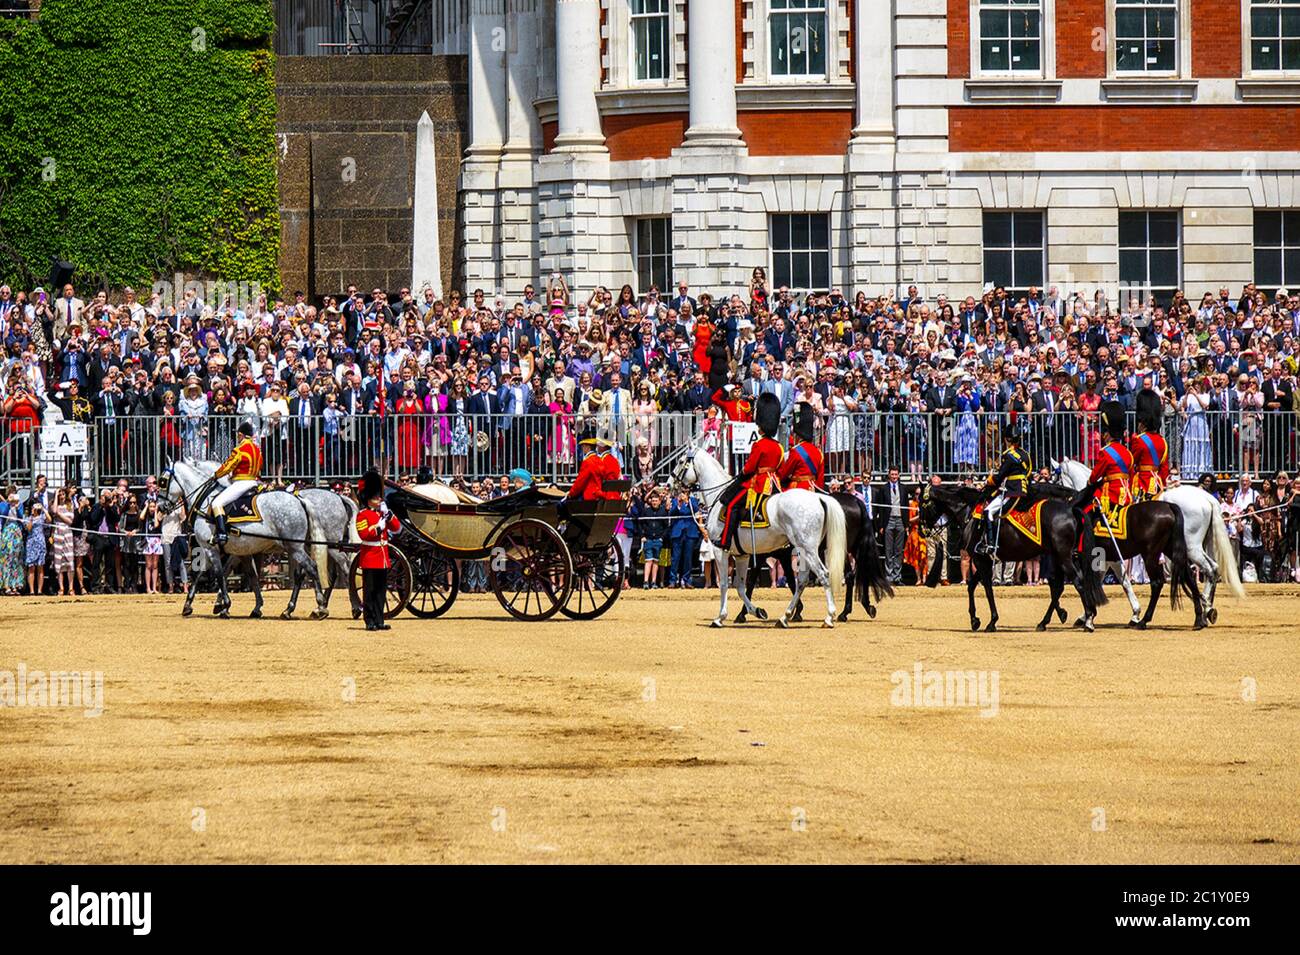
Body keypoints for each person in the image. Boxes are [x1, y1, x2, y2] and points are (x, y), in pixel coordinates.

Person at [717, 392, 783, 551]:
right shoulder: (778, 446)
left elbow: (749, 468)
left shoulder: (759, 445)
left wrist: (741, 473)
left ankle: (725, 541)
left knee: (732, 505)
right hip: (775, 484)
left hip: (758, 484)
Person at [974, 427, 1033, 555]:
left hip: (1013, 491)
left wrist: (987, 481)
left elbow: (999, 477)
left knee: (988, 511)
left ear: (1007, 440)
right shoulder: (1025, 454)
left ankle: (991, 544)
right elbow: (1028, 473)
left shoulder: (1009, 455)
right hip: (1024, 489)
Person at [355, 469, 400, 632]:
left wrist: (389, 515)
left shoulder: (382, 513)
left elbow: (396, 528)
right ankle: (369, 620)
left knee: (381, 592)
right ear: (368, 498)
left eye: (379, 496)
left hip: (382, 558)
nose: (379, 499)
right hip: (370, 558)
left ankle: (379, 620)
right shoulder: (362, 515)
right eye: (375, 497)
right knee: (370, 592)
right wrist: (379, 528)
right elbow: (364, 534)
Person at [1081, 400, 1134, 533]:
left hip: (1111, 494)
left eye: (1104, 432)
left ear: (1107, 433)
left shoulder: (1105, 452)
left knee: (1086, 512)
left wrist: (1089, 483)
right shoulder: (1127, 453)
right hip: (1127, 495)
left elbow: (1094, 477)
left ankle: (1087, 547)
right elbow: (1131, 476)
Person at [211, 420, 263, 546]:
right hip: (254, 482)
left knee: (216, 503)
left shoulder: (239, 449)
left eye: (238, 435)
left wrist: (216, 475)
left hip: (242, 484)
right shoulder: (257, 450)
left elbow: (228, 466)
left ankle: (222, 533)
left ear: (241, 435)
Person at [1130, 384, 1170, 502]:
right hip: (1158, 486)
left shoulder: (1139, 440)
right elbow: (1164, 469)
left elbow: (1132, 466)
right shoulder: (1162, 441)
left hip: (1141, 484)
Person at [776, 401, 824, 491]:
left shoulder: (795, 451)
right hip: (813, 490)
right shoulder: (819, 452)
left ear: (797, 432)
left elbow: (784, 475)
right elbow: (820, 482)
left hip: (797, 490)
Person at [565, 433, 622, 505]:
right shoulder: (615, 460)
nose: (597, 446)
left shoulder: (600, 460)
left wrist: (571, 493)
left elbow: (581, 482)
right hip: (615, 496)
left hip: (603, 496)